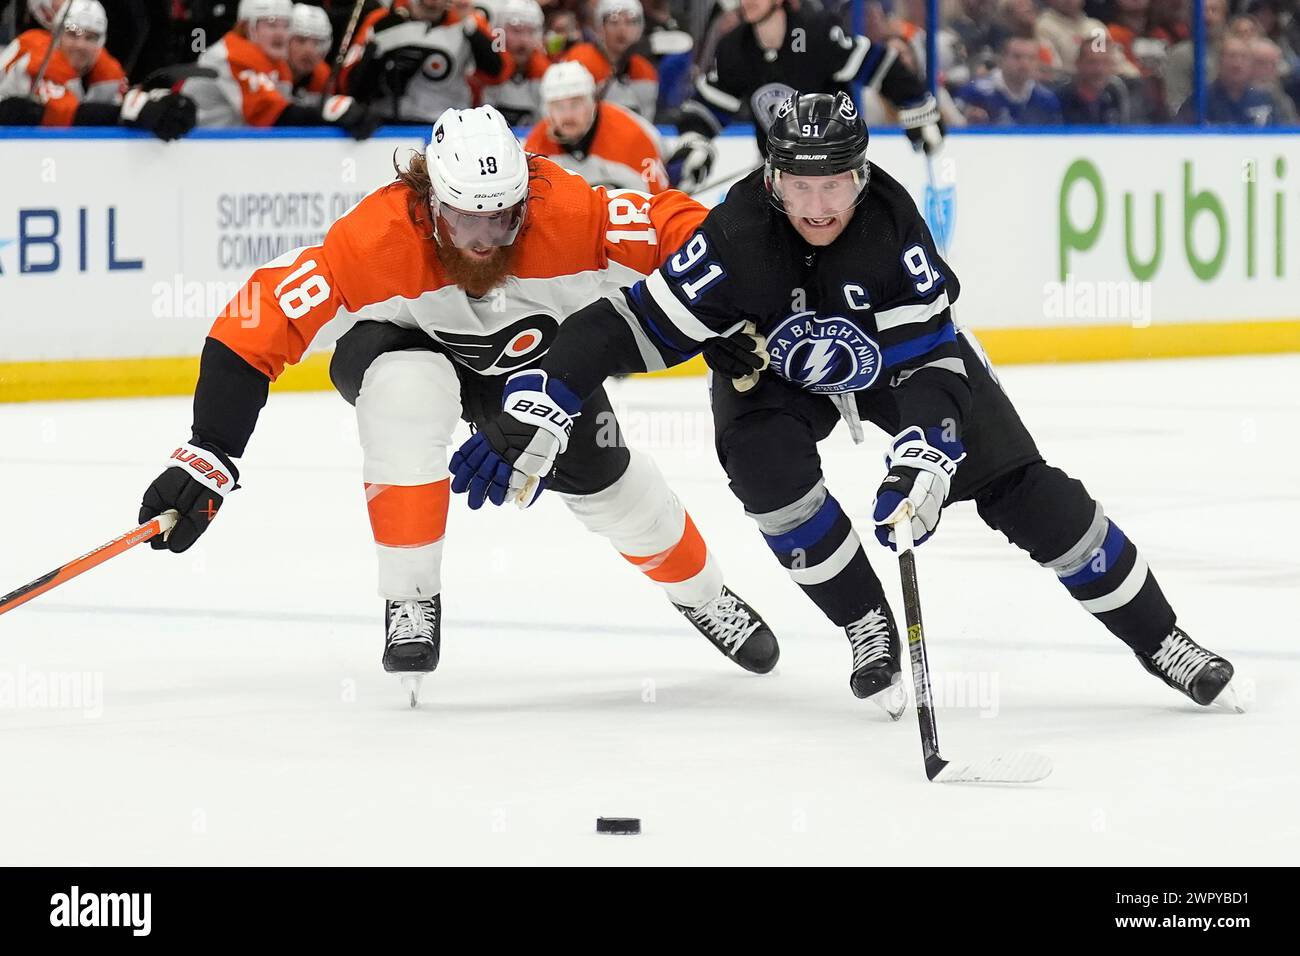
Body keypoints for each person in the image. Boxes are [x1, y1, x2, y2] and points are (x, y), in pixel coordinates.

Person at [451, 91, 1242, 716]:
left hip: (904, 373)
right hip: (774, 371)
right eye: (802, 185)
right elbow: (630, 324)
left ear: (861, 177)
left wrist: (927, 446)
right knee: (765, 472)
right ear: (772, 179)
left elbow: (931, 362)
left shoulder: (895, 230)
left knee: (1027, 494)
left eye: (836, 184)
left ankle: (1163, 638)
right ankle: (866, 624)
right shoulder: (732, 236)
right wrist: (550, 387)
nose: (821, 204)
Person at [136, 104, 780, 705]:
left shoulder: (572, 211)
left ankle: (705, 594)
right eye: (465, 217)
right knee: (405, 399)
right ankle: (409, 595)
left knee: (608, 480)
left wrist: (722, 318)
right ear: (428, 202)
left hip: (536, 370)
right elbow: (260, 315)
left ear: (527, 198)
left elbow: (690, 231)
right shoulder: (377, 237)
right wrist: (208, 451)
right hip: (409, 346)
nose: (483, 240)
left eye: (502, 217)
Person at [672, 0, 943, 193]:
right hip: (779, 179)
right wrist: (695, 143)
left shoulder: (816, 33)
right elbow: (708, 107)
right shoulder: (735, 47)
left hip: (838, 173)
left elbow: (880, 64)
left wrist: (918, 109)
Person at [0, 0, 194, 138]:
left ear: (101, 42)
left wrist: (161, 102)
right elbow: (64, 116)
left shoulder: (106, 67)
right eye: (72, 35)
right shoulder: (38, 53)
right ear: (57, 35)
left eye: (90, 37)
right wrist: (131, 112)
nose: (80, 45)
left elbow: (123, 101)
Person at [183, 0, 377, 136]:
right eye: (271, 25)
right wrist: (327, 112)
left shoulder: (276, 62)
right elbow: (272, 115)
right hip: (193, 153)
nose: (280, 34)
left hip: (222, 151)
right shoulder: (232, 53)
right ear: (248, 27)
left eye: (286, 26)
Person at [342, 0, 507, 124]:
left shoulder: (467, 22)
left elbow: (499, 72)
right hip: (385, 122)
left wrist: (471, 28)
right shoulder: (383, 20)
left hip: (447, 122)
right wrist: (376, 52)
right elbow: (349, 84)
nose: (431, 3)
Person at [523, 61, 669, 193]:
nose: (567, 114)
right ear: (547, 111)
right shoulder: (536, 146)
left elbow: (660, 201)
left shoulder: (632, 137)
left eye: (575, 103)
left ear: (592, 103)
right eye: (558, 106)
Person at [562, 0, 657, 119]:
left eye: (630, 22)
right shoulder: (580, 59)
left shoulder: (645, 70)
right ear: (600, 27)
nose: (622, 29)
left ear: (640, 28)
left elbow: (645, 122)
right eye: (614, 21)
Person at [956, 35, 1063, 124]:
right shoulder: (974, 91)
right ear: (1003, 58)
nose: (1024, 64)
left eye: (1031, 58)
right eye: (1017, 57)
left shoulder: (1046, 99)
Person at [1176, 34, 1279, 125]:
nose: (1237, 64)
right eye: (1231, 57)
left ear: (1251, 64)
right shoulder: (1200, 101)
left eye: (1243, 57)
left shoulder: (1265, 100)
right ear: (1219, 62)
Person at [478, 0, 550, 126]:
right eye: (516, 31)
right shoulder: (481, 69)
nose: (524, 40)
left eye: (531, 32)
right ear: (499, 32)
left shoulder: (545, 75)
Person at [1058, 36, 1130, 124]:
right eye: (1092, 62)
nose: (1099, 69)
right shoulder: (1062, 96)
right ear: (1078, 63)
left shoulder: (1115, 91)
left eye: (1106, 62)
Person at [287, 1, 332, 107]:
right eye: (301, 40)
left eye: (317, 43)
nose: (309, 50)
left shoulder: (324, 78)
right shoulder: (268, 74)